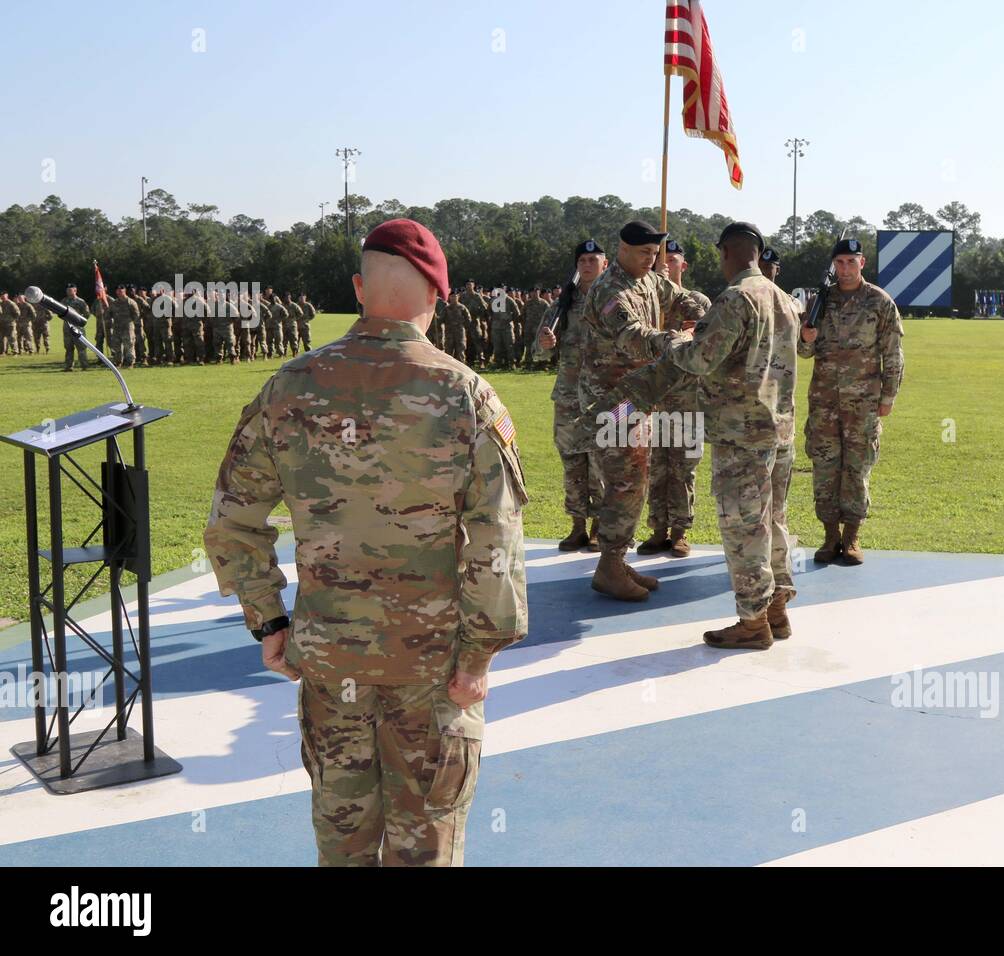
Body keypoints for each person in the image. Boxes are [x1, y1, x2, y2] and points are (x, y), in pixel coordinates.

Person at [204, 219, 527, 867]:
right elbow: (495, 538)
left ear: (357, 287)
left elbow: (233, 516)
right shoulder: (465, 394)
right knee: (425, 846)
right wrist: (479, 654)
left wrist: (268, 619)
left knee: (343, 844)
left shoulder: (290, 387)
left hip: (331, 663)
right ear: (439, 295)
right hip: (432, 671)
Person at [615, 222, 799, 649]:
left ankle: (753, 621)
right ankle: (777, 609)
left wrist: (676, 342)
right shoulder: (784, 299)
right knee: (773, 522)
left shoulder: (735, 298)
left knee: (743, 527)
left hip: (742, 433)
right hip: (779, 429)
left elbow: (701, 359)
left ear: (726, 253)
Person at [572, 220, 691, 600]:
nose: (651, 261)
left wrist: (702, 309)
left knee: (636, 478)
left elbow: (679, 297)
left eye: (655, 255)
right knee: (624, 480)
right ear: (622, 249)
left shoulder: (649, 280)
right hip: (615, 404)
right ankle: (608, 566)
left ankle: (617, 559)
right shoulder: (610, 291)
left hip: (638, 399)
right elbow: (634, 337)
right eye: (644, 254)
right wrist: (675, 340)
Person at [798, 237, 904, 565]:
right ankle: (830, 536)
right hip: (825, 402)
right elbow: (803, 353)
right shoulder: (820, 301)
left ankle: (852, 535)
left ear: (862, 263)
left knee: (857, 468)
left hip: (863, 403)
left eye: (850, 262)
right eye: (839, 263)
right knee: (825, 467)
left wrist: (887, 397)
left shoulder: (879, 302)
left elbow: (893, 354)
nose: (844, 269)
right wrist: (806, 337)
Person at [638, 238, 709, 558]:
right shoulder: (647, 301)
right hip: (654, 396)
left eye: (674, 260)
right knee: (655, 466)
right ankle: (657, 529)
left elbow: (706, 340)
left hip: (688, 397)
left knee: (683, 468)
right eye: (660, 260)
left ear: (684, 265)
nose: (666, 264)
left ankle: (680, 530)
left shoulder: (696, 301)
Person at [538, 240, 608, 551]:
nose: (587, 264)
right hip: (567, 397)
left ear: (604, 265)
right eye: (582, 259)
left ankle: (598, 528)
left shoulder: (612, 303)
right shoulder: (559, 307)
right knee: (572, 464)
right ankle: (577, 526)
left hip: (600, 398)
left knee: (600, 465)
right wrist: (545, 345)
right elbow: (537, 352)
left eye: (594, 259)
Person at [60, 284, 91, 371]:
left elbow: (87, 314)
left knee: (81, 348)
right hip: (67, 329)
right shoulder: (64, 301)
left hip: (78, 328)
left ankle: (84, 366)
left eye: (70, 290)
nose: (69, 292)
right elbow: (60, 313)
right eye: (67, 290)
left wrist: (78, 319)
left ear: (75, 291)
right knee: (68, 348)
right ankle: (69, 366)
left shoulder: (81, 302)